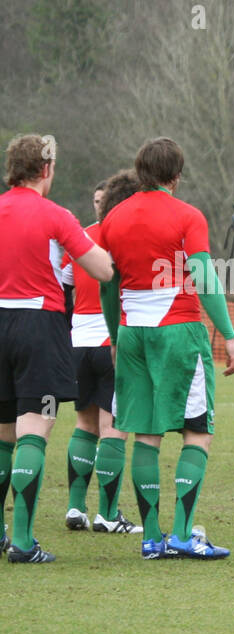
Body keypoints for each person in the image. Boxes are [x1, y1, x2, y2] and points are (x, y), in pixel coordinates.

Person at [97, 137, 234, 559]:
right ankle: (181, 535)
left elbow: (109, 286)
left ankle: (150, 538)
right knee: (197, 431)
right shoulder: (187, 215)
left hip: (130, 333)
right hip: (178, 331)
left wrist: (114, 334)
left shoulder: (114, 218)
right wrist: (230, 337)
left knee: (145, 434)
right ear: (176, 176)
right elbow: (204, 277)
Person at [0, 133, 114, 562]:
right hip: (40, 325)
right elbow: (101, 268)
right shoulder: (56, 215)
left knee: (3, 433)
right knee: (36, 427)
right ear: (46, 169)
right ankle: (24, 543)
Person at [61, 172, 142, 535]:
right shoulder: (131, 238)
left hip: (78, 342)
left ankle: (76, 508)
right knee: (114, 429)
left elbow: (63, 287)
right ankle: (108, 515)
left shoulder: (79, 240)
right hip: (114, 343)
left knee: (84, 425)